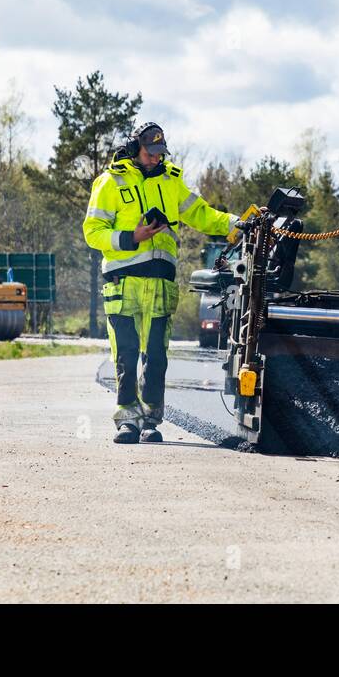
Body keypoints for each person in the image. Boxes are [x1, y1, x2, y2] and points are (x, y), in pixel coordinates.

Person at [83, 122, 240, 444]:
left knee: (155, 355)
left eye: (159, 153)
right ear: (133, 149)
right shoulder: (110, 182)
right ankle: (128, 420)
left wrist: (240, 223)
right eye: (150, 153)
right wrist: (131, 237)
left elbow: (202, 214)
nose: (156, 158)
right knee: (125, 354)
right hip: (122, 282)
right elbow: (92, 232)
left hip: (160, 282)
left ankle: (151, 420)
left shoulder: (172, 182)